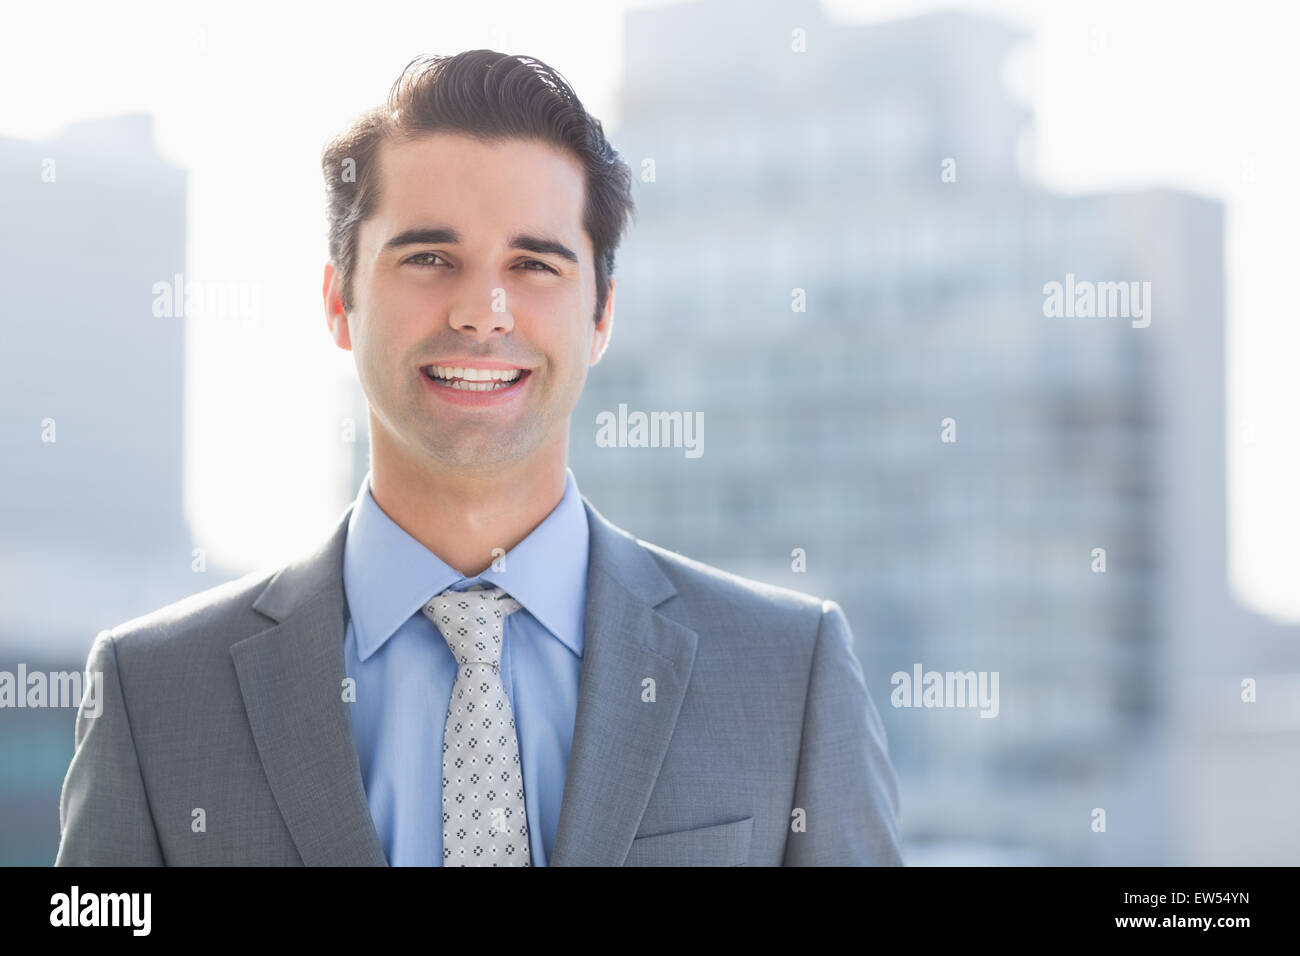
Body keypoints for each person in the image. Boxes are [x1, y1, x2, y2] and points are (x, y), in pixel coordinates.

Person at [55, 50, 902, 866]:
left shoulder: (789, 675)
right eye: (430, 258)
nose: (482, 311)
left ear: (601, 316)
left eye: (533, 264)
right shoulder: (153, 693)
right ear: (337, 302)